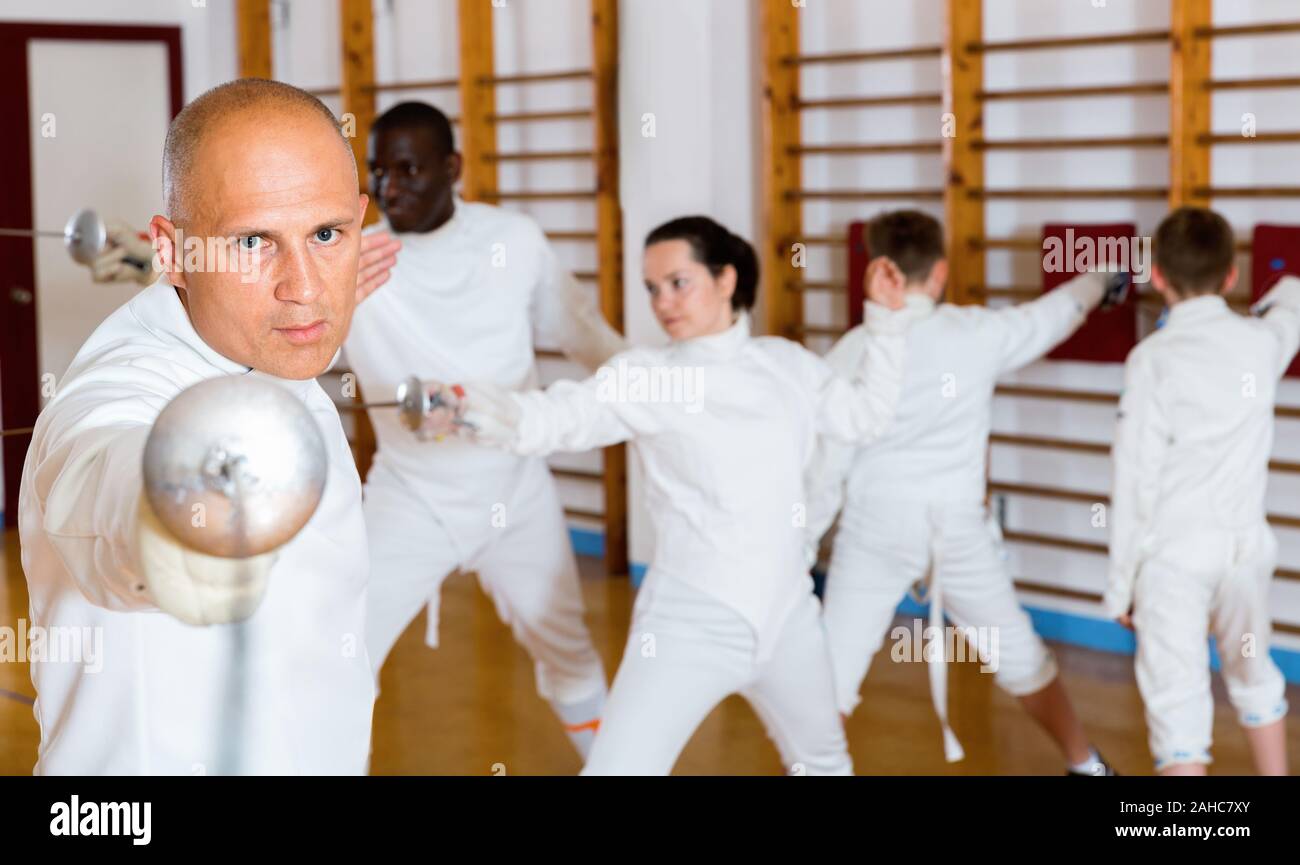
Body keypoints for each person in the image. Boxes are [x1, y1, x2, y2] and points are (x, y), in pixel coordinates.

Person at [403, 215, 918, 775]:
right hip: (689, 620)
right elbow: (554, 419)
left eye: (679, 283)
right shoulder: (647, 376)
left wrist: (888, 324)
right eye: (652, 289)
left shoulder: (785, 365)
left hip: (789, 615)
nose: (663, 302)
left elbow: (866, 416)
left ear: (725, 281)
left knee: (824, 761)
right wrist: (469, 406)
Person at [19, 78, 392, 775]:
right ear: (174, 250)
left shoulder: (267, 338)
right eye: (253, 240)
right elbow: (101, 467)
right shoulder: (121, 386)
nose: (305, 286)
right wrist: (174, 525)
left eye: (327, 233)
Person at [345, 102, 623, 757]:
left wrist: (660, 389)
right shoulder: (353, 261)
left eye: (408, 169)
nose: (389, 188)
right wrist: (171, 278)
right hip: (410, 493)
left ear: (453, 168)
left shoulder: (515, 240)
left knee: (570, 651)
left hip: (515, 490)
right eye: (378, 171)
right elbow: (267, 316)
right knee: (340, 651)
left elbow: (583, 332)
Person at [806, 209, 1116, 775]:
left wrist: (798, 546)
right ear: (940, 272)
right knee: (1020, 655)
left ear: (877, 266)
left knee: (828, 676)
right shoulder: (977, 333)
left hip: (873, 525)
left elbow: (824, 462)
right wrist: (1101, 278)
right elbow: (1054, 314)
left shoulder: (851, 351)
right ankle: (1087, 765)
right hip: (956, 528)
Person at [1107, 206, 1298, 776]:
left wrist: (1121, 587)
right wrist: (1269, 299)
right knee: (1252, 671)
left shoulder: (1152, 360)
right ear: (1232, 276)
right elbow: (1293, 295)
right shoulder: (1261, 341)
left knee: (1178, 705)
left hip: (1174, 560)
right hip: (1245, 554)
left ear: (1157, 275)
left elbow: (1132, 478)